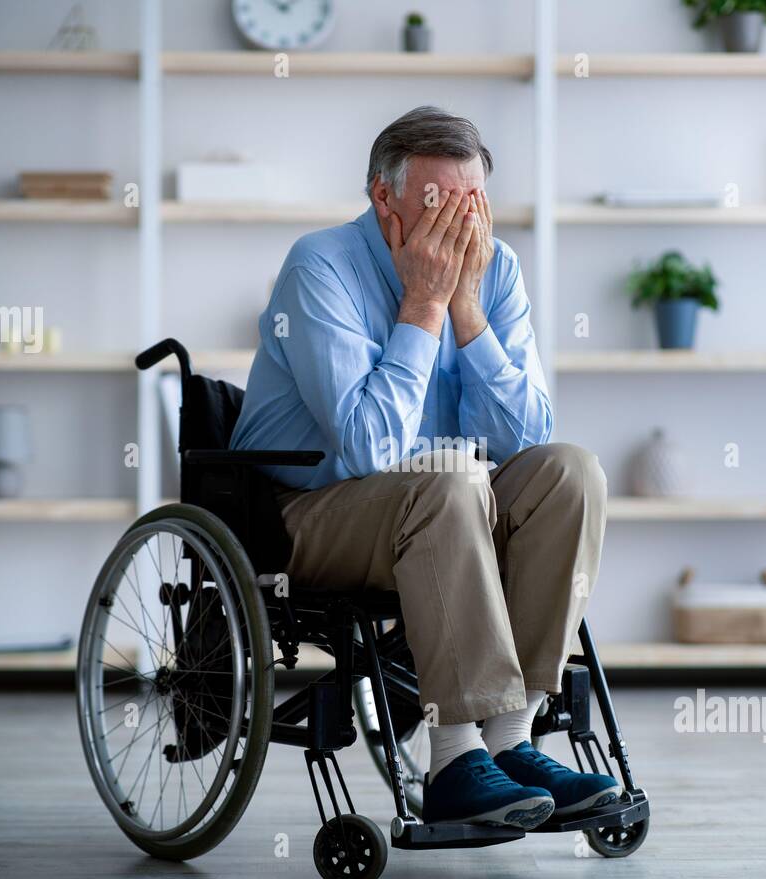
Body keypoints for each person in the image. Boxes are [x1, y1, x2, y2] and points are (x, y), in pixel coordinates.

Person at [231, 106, 618, 829]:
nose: (462, 224)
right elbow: (370, 449)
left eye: (473, 202)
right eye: (440, 202)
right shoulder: (321, 267)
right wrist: (424, 305)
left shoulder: (495, 269)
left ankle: (511, 737)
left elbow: (526, 437)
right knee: (450, 481)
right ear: (385, 198)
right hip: (314, 511)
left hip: (450, 507)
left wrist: (468, 311)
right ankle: (452, 755)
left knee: (570, 472)